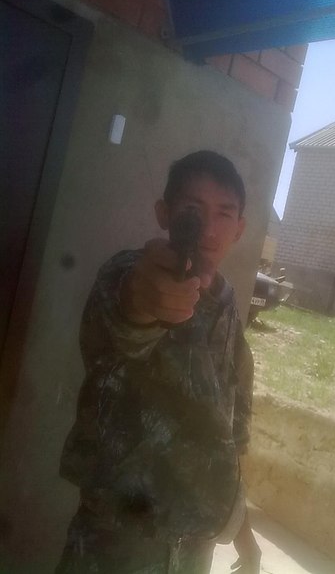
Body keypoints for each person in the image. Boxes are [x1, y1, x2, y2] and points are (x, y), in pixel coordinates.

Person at [55, 151, 261, 574]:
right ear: (164, 214)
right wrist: (145, 304)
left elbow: (228, 433)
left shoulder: (228, 310)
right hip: (119, 539)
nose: (208, 229)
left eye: (224, 214)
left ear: (239, 229)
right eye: (192, 210)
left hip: (197, 544)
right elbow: (128, 318)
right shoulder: (129, 273)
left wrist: (245, 536)